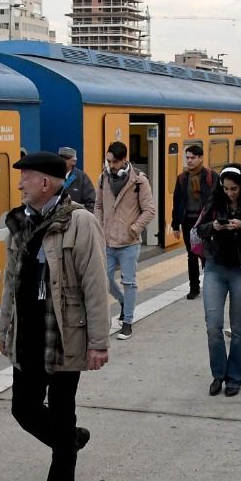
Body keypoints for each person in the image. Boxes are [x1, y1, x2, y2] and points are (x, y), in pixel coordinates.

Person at [0, 152, 110, 481]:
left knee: (61, 414)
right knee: (23, 408)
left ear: (45, 182)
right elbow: (11, 282)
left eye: (25, 177)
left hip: (65, 335)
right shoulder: (20, 222)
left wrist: (98, 342)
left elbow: (95, 285)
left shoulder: (80, 222)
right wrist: (4, 328)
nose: (19, 184)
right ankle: (70, 442)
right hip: (28, 334)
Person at [195, 165, 241, 397]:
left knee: (237, 329)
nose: (229, 193)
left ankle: (234, 378)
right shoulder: (215, 202)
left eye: (234, 189)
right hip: (215, 269)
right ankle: (218, 374)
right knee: (213, 326)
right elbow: (199, 230)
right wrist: (214, 226)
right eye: (225, 188)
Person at [95, 140, 156, 340]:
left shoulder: (139, 181)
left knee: (129, 282)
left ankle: (127, 322)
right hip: (107, 240)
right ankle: (123, 302)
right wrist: (98, 227)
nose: (111, 165)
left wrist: (135, 228)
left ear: (124, 160)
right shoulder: (103, 179)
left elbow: (149, 210)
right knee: (103, 279)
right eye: (108, 161)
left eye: (114, 162)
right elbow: (98, 205)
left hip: (129, 242)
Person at [171, 144, 217, 300]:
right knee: (191, 255)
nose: (189, 161)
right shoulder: (182, 178)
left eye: (193, 157)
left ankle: (211, 285)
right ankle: (194, 288)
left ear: (201, 158)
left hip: (205, 221)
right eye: (187, 157)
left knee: (207, 253)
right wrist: (175, 224)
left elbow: (216, 199)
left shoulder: (211, 176)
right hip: (188, 222)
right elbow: (177, 201)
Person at [57, 146, 96, 210]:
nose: (62, 161)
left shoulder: (82, 178)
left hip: (75, 215)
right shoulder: (52, 176)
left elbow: (91, 203)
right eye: (61, 158)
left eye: (66, 158)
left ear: (74, 161)